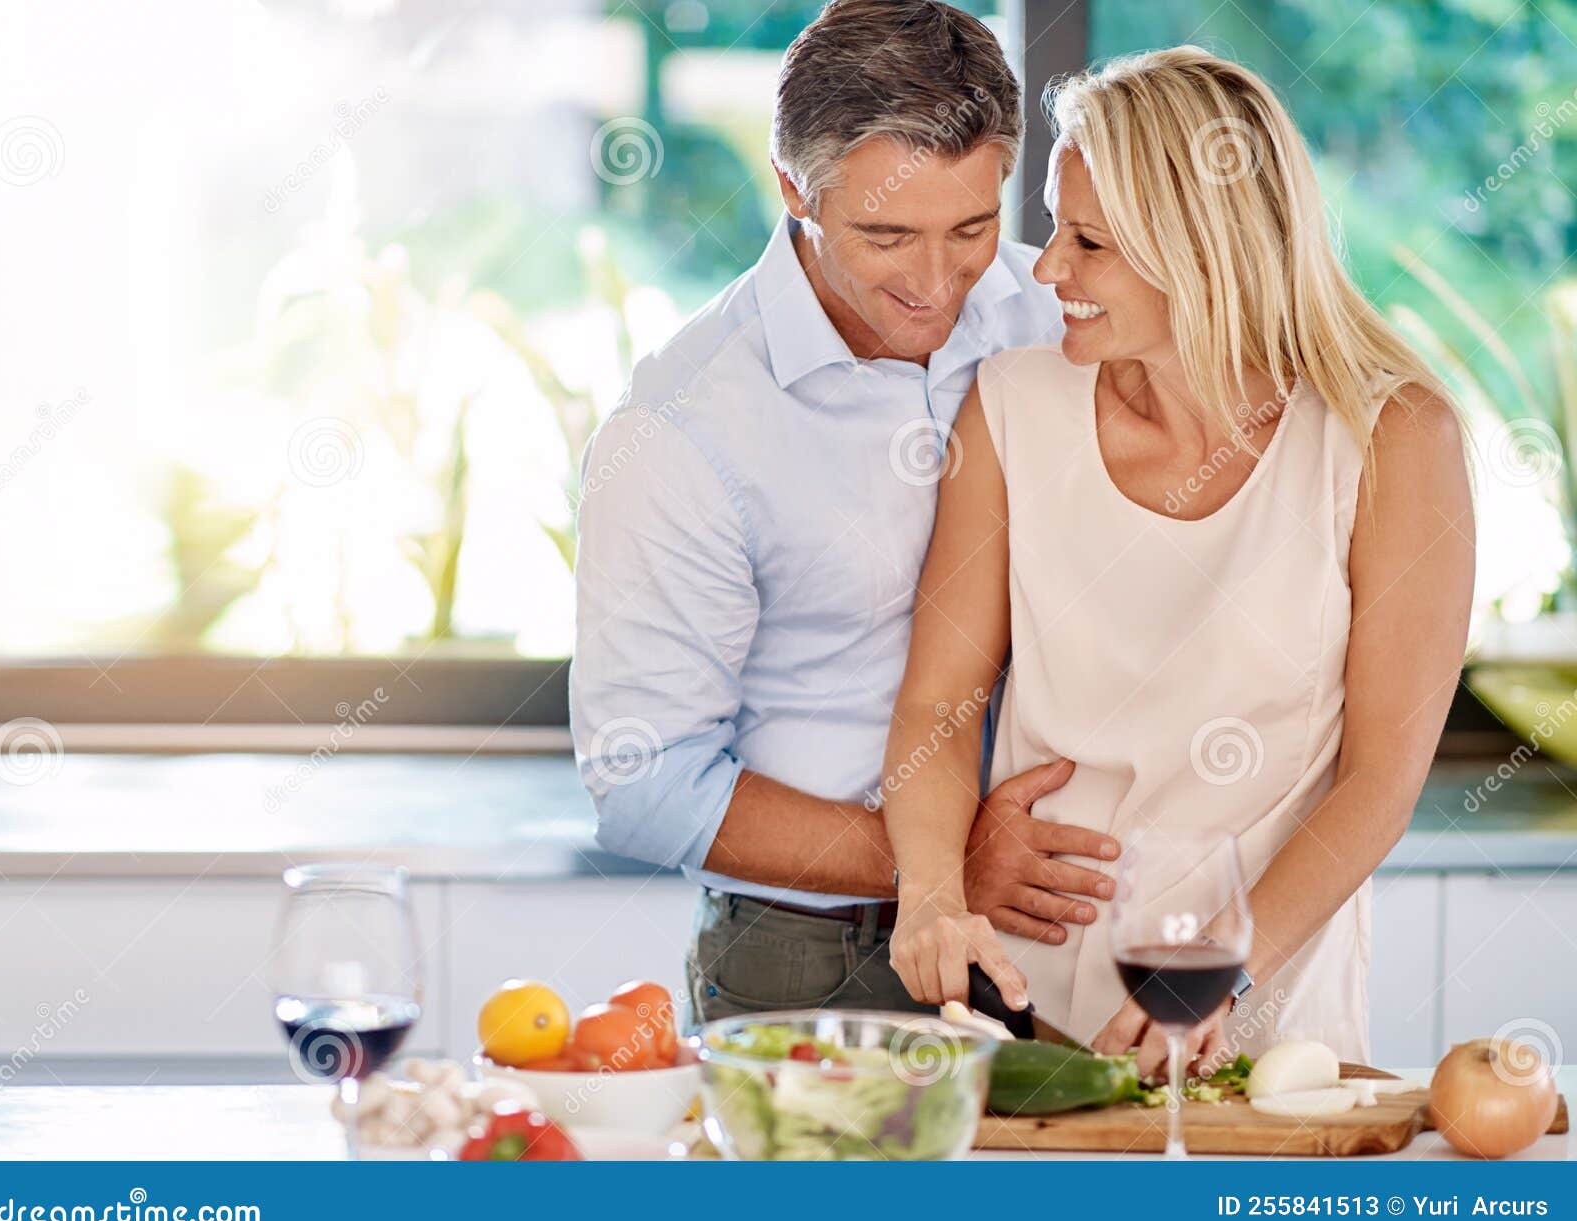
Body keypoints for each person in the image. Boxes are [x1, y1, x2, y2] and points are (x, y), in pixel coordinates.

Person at [882, 46, 1474, 1074]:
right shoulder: (1013, 407)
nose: (1047, 269)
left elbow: (1381, 777)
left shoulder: (1388, 437)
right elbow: (938, 700)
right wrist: (932, 894)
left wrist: (1209, 976)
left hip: (1263, 1010)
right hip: (1031, 1003)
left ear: (1201, 252)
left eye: (1088, 243)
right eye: (1053, 230)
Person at [571, 0, 1116, 1023]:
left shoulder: (1047, 317)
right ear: (793, 189)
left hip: (1061, 932)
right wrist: (944, 871)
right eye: (883, 234)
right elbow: (646, 785)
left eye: (971, 227)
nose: (933, 283)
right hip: (815, 959)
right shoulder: (680, 430)